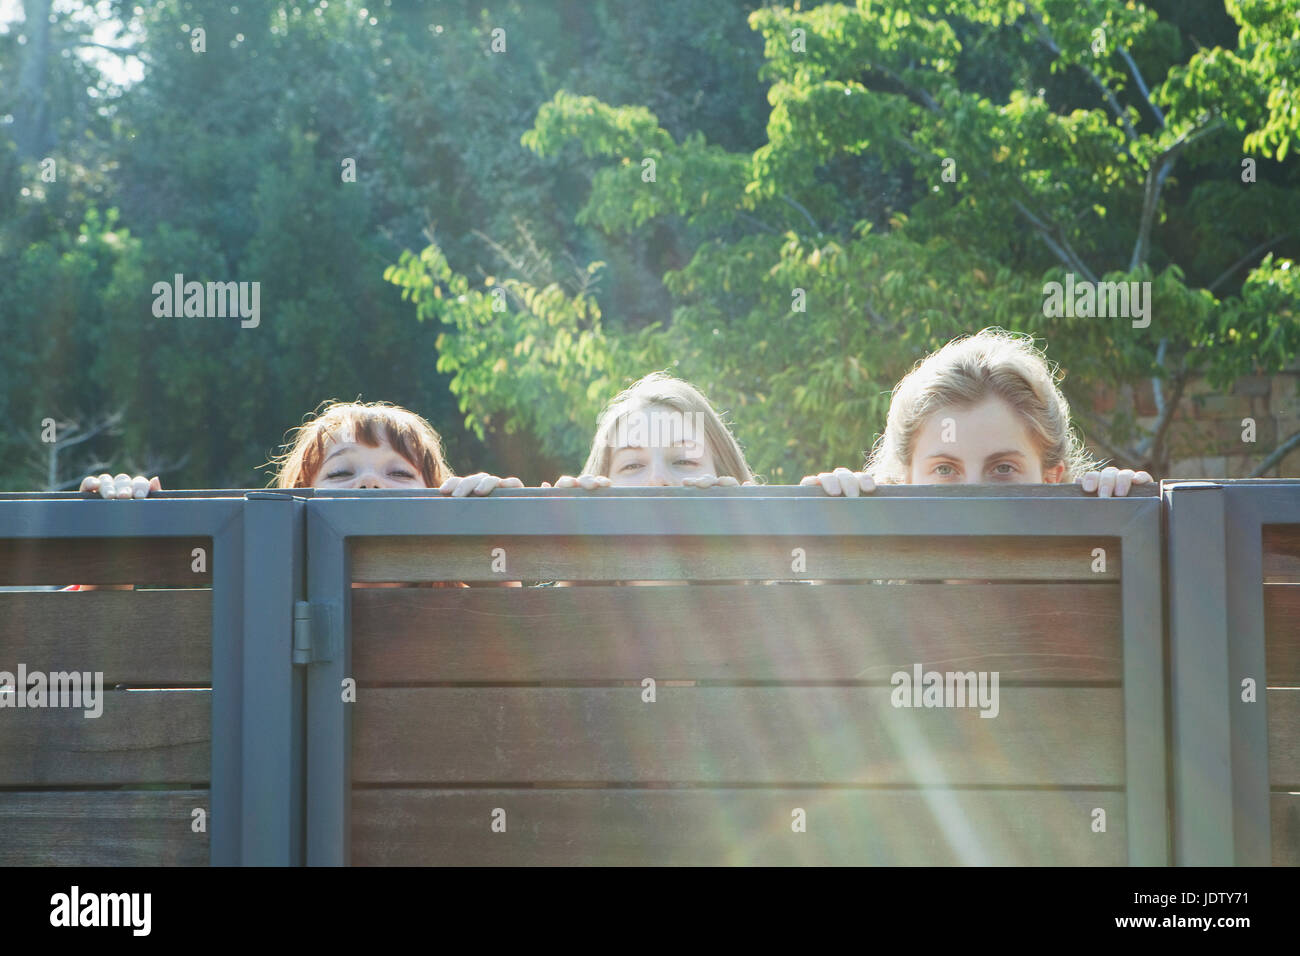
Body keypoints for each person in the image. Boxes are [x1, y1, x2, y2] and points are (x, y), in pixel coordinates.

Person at [800, 329, 1153, 496]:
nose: (972, 492)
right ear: (906, 478)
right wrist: (833, 544)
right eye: (944, 469)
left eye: (1002, 468)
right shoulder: (875, 587)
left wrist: (1126, 519)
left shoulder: (1091, 567)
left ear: (1051, 477)